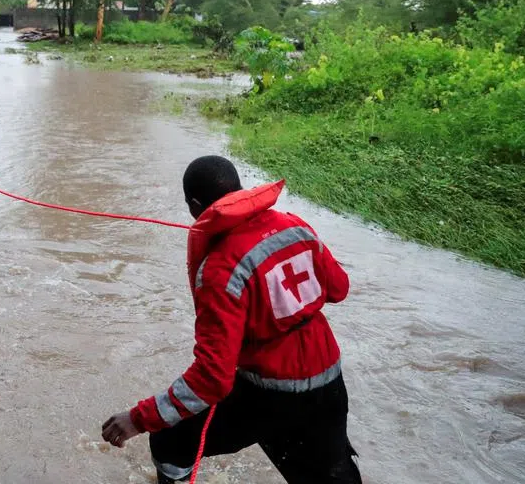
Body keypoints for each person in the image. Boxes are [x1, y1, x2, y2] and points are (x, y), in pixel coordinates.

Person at [101, 156, 361, 484]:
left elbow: (212, 378)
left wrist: (138, 419)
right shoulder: (295, 226)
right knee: (330, 472)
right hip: (330, 379)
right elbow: (339, 288)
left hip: (270, 391)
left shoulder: (219, 269)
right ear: (239, 188)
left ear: (195, 207)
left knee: (170, 440)